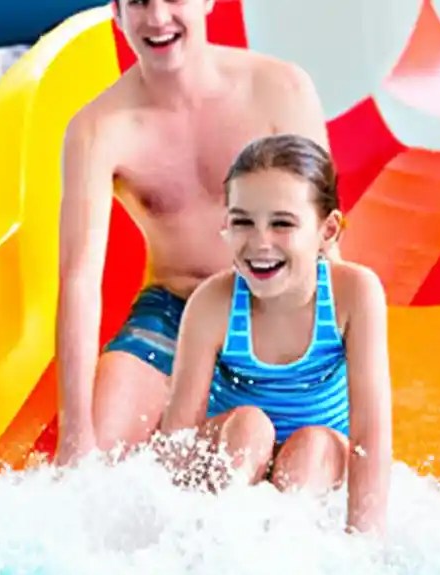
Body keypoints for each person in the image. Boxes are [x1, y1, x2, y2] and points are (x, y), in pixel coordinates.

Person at [55, 0, 331, 464]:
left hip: (273, 313)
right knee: (95, 465)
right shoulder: (97, 128)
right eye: (139, 2)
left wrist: (332, 368)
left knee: (303, 465)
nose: (158, 18)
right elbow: (79, 278)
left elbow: (324, 241)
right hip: (172, 314)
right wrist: (74, 429)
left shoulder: (279, 90)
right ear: (117, 12)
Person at [157, 134, 391, 534]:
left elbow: (371, 432)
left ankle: (286, 541)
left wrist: (366, 546)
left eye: (282, 223)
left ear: (328, 230)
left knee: (313, 445)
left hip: (316, 463)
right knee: (251, 426)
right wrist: (171, 532)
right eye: (242, 222)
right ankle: (220, 536)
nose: (260, 243)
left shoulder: (353, 294)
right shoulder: (212, 303)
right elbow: (177, 439)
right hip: (235, 452)